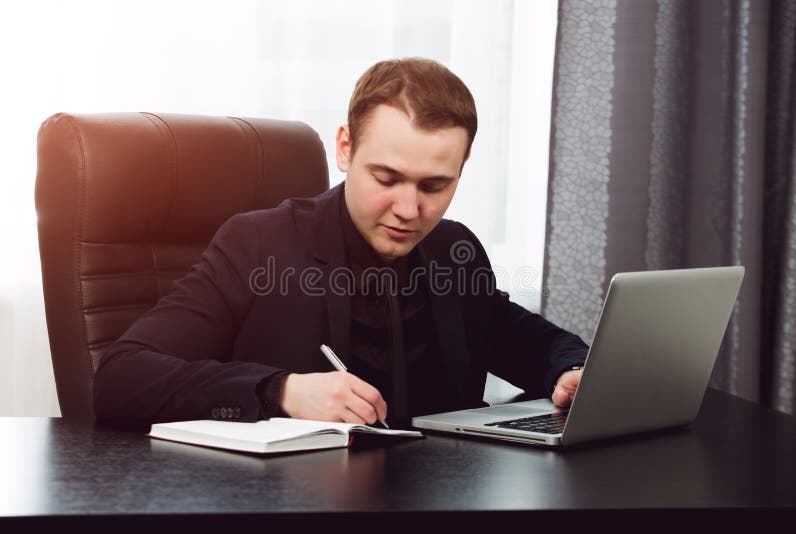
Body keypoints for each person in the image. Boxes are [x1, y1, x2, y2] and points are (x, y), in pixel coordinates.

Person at [93, 58, 588, 427]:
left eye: (435, 186)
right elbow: (121, 378)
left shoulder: (453, 251)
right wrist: (278, 390)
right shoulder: (258, 243)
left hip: (439, 499)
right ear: (346, 148)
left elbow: (527, 340)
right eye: (387, 178)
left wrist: (568, 370)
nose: (410, 210)